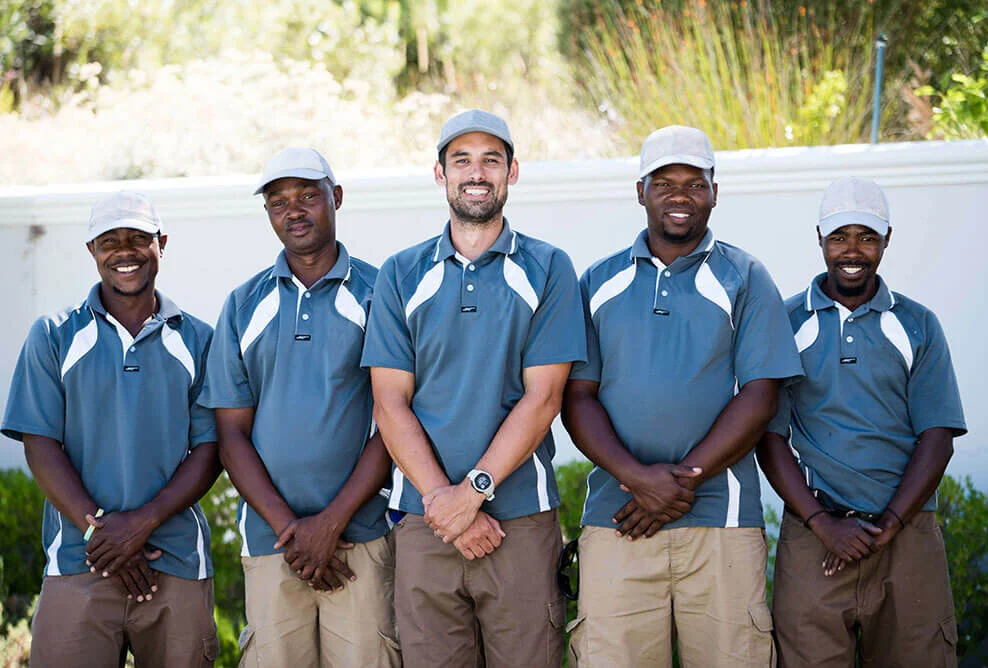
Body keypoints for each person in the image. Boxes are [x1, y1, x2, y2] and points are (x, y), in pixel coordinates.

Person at [561, 125, 803, 667]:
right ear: (640, 191)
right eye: (664, 183)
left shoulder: (745, 276)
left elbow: (760, 395)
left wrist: (678, 484)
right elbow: (577, 397)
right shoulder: (598, 280)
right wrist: (638, 479)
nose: (680, 195)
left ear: (715, 192)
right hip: (618, 518)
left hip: (722, 521)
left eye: (695, 184)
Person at [361, 109, 586, 667]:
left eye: (491, 160)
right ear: (440, 174)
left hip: (521, 520)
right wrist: (446, 503)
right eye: (461, 160)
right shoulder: (400, 273)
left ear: (513, 172)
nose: (477, 173)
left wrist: (471, 494)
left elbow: (544, 399)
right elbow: (389, 403)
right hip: (425, 523)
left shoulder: (549, 267)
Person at [197, 148, 399, 667]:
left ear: (336, 197)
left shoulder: (381, 293)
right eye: (278, 202)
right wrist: (294, 531)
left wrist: (331, 524)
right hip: (271, 541)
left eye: (308, 195)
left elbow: (395, 421)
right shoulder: (243, 304)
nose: (294, 210)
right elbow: (231, 433)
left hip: (361, 535)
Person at [1, 191, 221, 667]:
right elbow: (40, 444)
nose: (125, 251)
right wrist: (101, 534)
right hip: (79, 560)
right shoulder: (53, 335)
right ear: (92, 250)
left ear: (162, 243)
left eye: (138, 238)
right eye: (109, 241)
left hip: (175, 561)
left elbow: (209, 449)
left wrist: (141, 525)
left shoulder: (200, 340)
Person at [757, 177, 966, 667]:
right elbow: (769, 437)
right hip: (815, 535)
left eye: (867, 237)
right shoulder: (786, 323)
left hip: (906, 534)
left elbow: (937, 437)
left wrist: (890, 524)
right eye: (839, 237)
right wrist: (822, 522)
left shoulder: (917, 324)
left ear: (887, 239)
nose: (852, 251)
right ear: (820, 239)